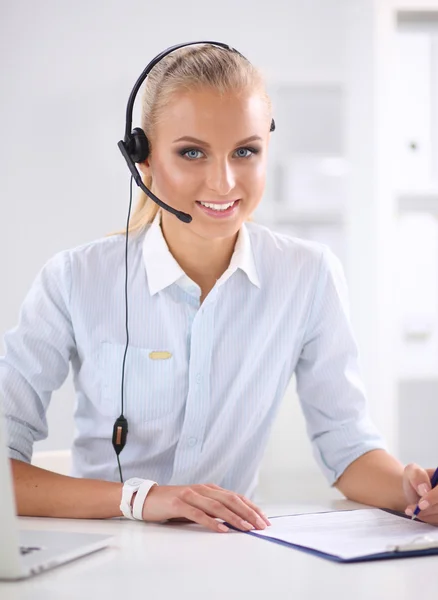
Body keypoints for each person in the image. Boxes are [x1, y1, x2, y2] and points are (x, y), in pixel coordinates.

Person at [1, 43, 437, 533]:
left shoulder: (308, 275)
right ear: (141, 159)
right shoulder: (75, 280)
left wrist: (411, 490)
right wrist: (143, 498)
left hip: (232, 554)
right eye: (192, 152)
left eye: (245, 152)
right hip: (106, 553)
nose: (224, 181)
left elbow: (348, 447)